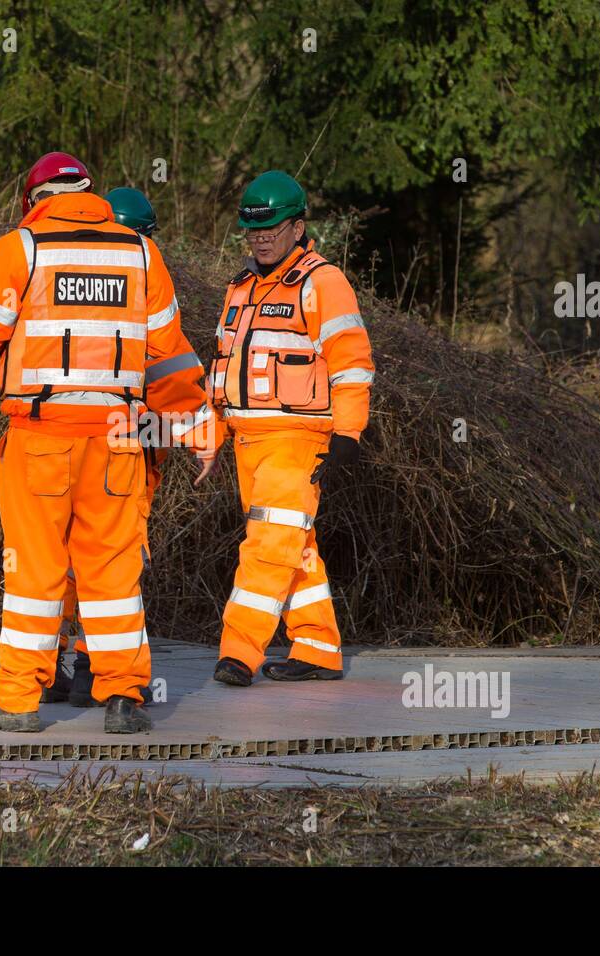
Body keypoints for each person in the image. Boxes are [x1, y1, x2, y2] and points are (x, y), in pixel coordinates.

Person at [0, 153, 218, 733]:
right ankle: (123, 697)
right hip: (119, 441)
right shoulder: (140, 253)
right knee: (114, 572)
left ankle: (19, 700)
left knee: (35, 571)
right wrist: (196, 424)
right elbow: (169, 355)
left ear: (33, 200)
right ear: (91, 193)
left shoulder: (22, 247)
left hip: (40, 438)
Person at [205, 170, 375, 686]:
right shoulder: (239, 288)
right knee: (292, 544)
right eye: (252, 229)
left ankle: (239, 650)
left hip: (297, 441)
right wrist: (210, 437)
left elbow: (352, 364)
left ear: (298, 228)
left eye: (271, 227)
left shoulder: (324, 282)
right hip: (246, 442)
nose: (259, 237)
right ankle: (318, 648)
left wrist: (348, 435)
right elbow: (223, 369)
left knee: (267, 545)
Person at [49, 186, 205, 708]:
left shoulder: (59, 278)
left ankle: (52, 668)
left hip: (57, 447)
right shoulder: (142, 284)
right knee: (113, 562)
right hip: (122, 452)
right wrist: (200, 433)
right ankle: (102, 673)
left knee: (58, 560)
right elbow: (175, 372)